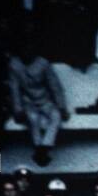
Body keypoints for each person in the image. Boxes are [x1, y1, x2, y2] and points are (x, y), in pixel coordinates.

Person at [8, 38, 70, 167]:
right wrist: (18, 110)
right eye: (24, 49)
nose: (27, 52)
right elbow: (14, 90)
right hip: (28, 102)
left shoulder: (43, 63)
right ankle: (38, 147)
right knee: (33, 118)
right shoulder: (14, 65)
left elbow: (55, 87)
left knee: (56, 116)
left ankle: (45, 147)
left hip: (44, 100)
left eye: (30, 49)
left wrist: (62, 106)